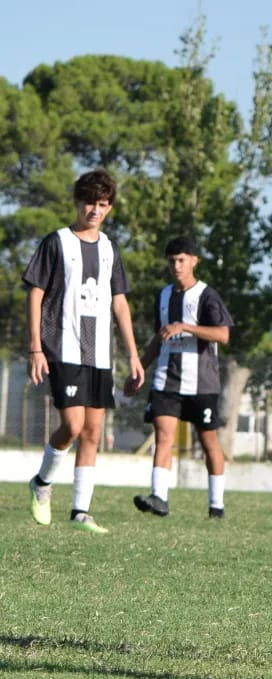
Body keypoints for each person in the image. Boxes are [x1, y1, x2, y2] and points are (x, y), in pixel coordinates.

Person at [23, 168, 144, 535]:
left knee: (93, 431)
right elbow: (36, 292)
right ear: (77, 203)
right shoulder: (56, 242)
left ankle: (80, 512)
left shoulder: (110, 248)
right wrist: (35, 348)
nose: (95, 210)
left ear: (109, 208)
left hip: (100, 354)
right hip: (63, 346)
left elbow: (119, 303)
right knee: (72, 426)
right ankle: (42, 483)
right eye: (90, 202)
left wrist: (134, 355)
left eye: (103, 204)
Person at [128, 236, 235, 520]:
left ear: (194, 261)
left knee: (208, 441)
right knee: (163, 437)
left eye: (182, 260)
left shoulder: (206, 295)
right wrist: (140, 368)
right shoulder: (163, 295)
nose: (176, 265)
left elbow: (223, 335)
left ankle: (216, 506)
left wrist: (185, 326)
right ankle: (159, 498)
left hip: (202, 381)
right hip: (166, 379)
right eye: (172, 260)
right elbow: (158, 337)